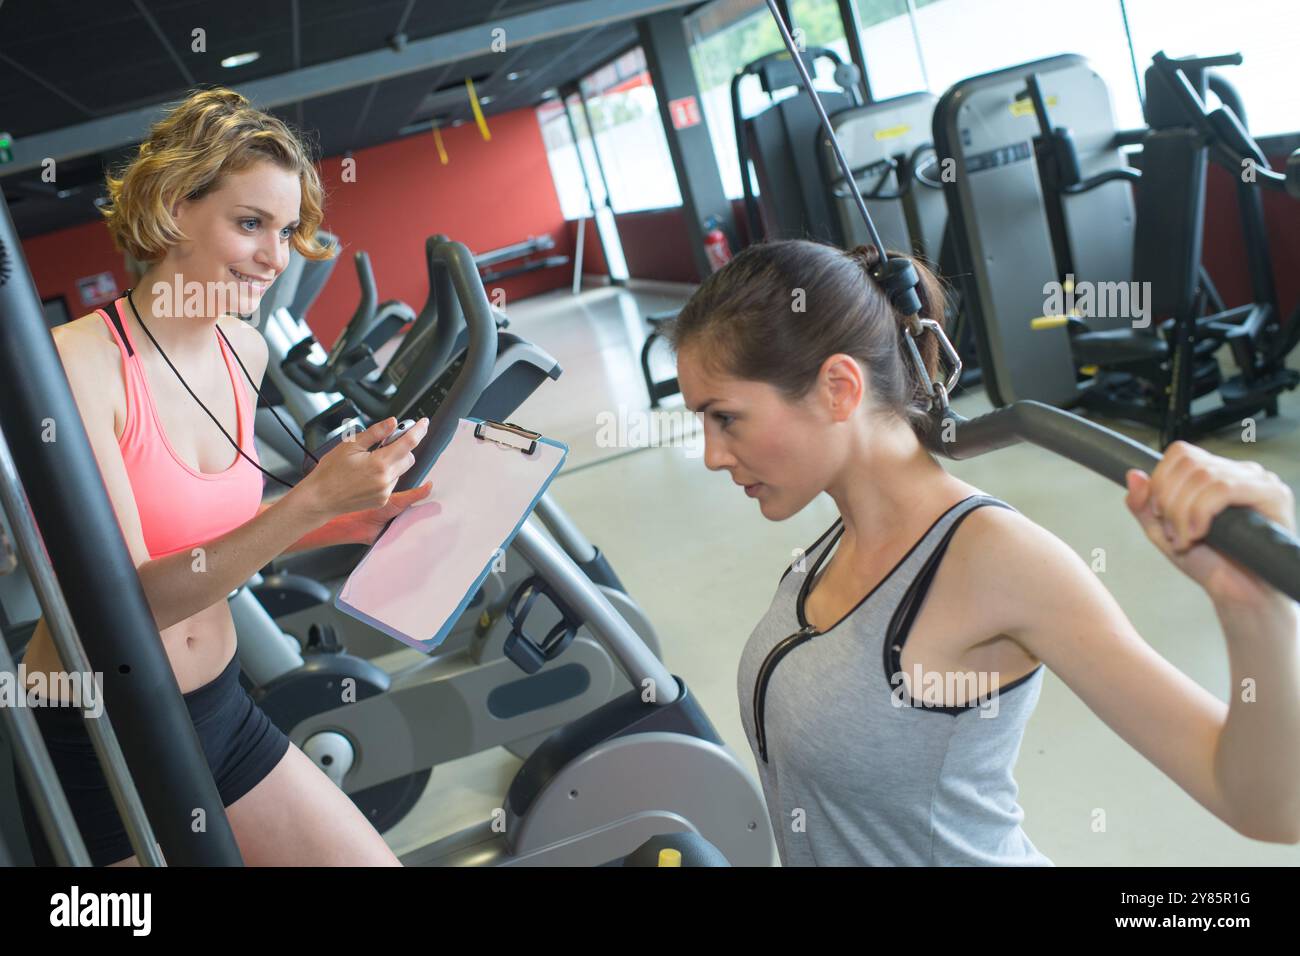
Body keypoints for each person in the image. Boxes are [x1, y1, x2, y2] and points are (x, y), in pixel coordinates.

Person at [668, 238, 1300, 866]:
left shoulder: (998, 560)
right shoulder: (836, 542)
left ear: (838, 388)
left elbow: (1267, 806)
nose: (712, 455)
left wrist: (1254, 606)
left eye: (724, 417)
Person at [18, 88, 433, 866]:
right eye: (251, 224)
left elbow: (213, 543)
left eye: (286, 232)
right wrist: (310, 500)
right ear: (175, 208)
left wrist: (344, 517)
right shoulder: (82, 365)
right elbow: (124, 606)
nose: (276, 258)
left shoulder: (245, 350)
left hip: (219, 708)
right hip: (105, 736)